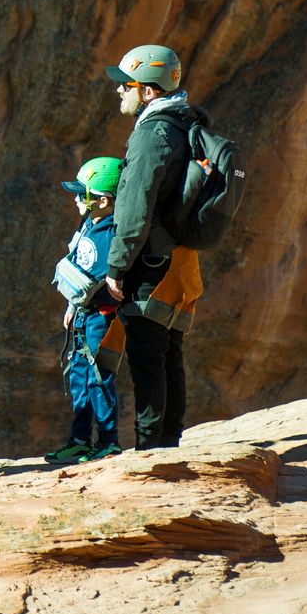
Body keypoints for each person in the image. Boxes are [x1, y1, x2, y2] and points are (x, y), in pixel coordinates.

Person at [101, 45, 207, 449]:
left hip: (152, 261)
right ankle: (167, 445)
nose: (118, 93)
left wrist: (117, 265)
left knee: (148, 355)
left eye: (124, 85)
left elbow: (134, 205)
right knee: (169, 353)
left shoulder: (152, 133)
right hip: (181, 260)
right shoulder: (187, 124)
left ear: (147, 91)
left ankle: (150, 451)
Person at [45, 157, 125, 465]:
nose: (77, 199)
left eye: (83, 193)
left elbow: (102, 276)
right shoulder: (90, 223)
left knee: (98, 376)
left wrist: (83, 304)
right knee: (79, 376)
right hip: (82, 315)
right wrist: (71, 306)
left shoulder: (110, 231)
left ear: (104, 200)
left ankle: (108, 441)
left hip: (101, 316)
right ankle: (79, 440)